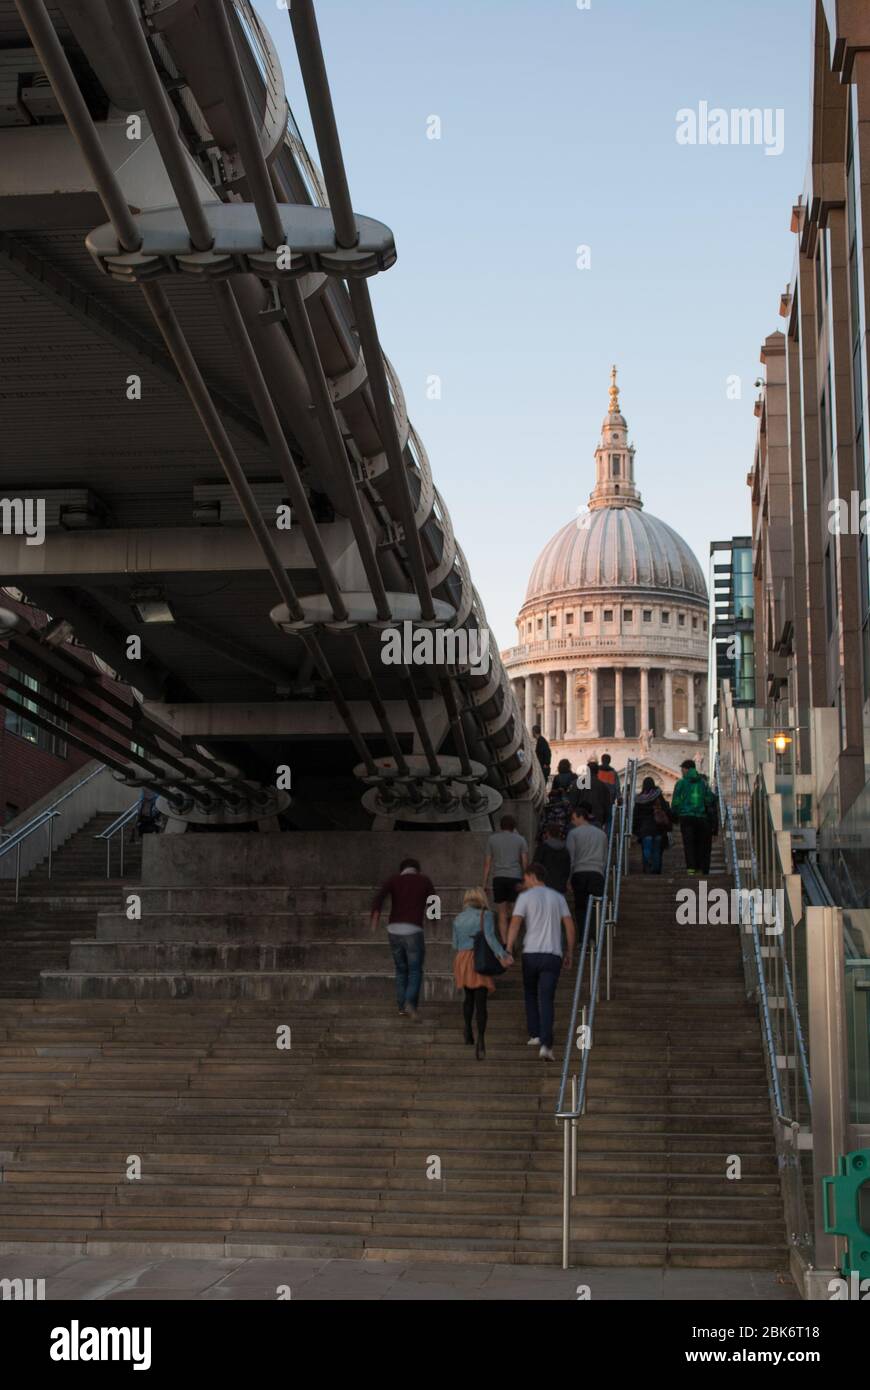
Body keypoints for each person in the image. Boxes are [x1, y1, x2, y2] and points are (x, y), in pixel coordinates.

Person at [506, 863, 575, 1061]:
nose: (524, 882)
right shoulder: (558, 897)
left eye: (525, 878)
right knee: (547, 998)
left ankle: (535, 1034)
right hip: (553, 954)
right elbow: (569, 927)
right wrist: (570, 952)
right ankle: (546, 1044)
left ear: (532, 876)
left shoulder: (525, 898)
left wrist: (509, 948)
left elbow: (515, 923)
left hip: (531, 953)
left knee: (530, 993)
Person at [451, 888, 512, 1059]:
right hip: (477, 958)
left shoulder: (458, 918)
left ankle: (468, 1029)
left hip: (461, 958)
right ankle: (481, 1040)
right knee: (481, 1000)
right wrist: (503, 955)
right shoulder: (485, 915)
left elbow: (455, 944)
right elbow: (490, 938)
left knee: (468, 997)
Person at [370, 856, 435, 1018]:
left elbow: (379, 898)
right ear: (417, 870)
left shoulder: (394, 880)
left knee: (400, 970)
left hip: (394, 930)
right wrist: (434, 921)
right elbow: (434, 902)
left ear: (402, 869)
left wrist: (375, 919)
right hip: (413, 929)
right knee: (415, 970)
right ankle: (410, 1003)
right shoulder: (424, 881)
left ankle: (401, 1006)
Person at [483, 814, 529, 944]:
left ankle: (504, 943)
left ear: (500, 826)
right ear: (514, 826)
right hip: (515, 878)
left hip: (499, 878)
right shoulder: (521, 840)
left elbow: (487, 863)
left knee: (502, 912)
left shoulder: (492, 839)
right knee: (515, 912)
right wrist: (526, 881)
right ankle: (512, 942)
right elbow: (525, 862)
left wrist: (484, 883)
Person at [565, 802, 608, 932]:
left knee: (580, 907)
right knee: (596, 906)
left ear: (580, 816)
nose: (572, 822)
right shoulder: (601, 834)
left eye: (573, 819)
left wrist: (568, 879)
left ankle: (583, 937)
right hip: (597, 873)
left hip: (579, 873)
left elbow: (570, 857)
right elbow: (604, 857)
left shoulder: (573, 834)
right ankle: (595, 935)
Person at [670, 759, 716, 876]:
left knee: (688, 844)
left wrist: (676, 813)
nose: (681, 771)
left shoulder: (681, 783)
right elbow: (709, 799)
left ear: (686, 769)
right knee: (700, 843)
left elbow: (675, 801)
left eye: (682, 769)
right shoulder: (702, 783)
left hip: (686, 817)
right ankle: (700, 869)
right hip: (701, 817)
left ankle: (691, 870)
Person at [631, 776, 671, 875]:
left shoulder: (639, 799)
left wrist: (635, 830)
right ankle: (656, 869)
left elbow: (636, 816)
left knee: (646, 848)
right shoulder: (658, 796)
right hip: (658, 828)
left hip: (645, 829)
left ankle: (647, 865)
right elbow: (666, 809)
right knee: (657, 850)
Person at [534, 816, 572, 894]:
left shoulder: (543, 848)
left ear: (547, 833)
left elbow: (536, 865)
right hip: (560, 885)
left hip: (544, 884)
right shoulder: (564, 850)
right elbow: (567, 869)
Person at [583, 759, 615, 830]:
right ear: (597, 772)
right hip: (598, 818)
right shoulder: (603, 786)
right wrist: (606, 819)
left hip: (581, 817)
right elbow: (607, 805)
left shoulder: (578, 784)